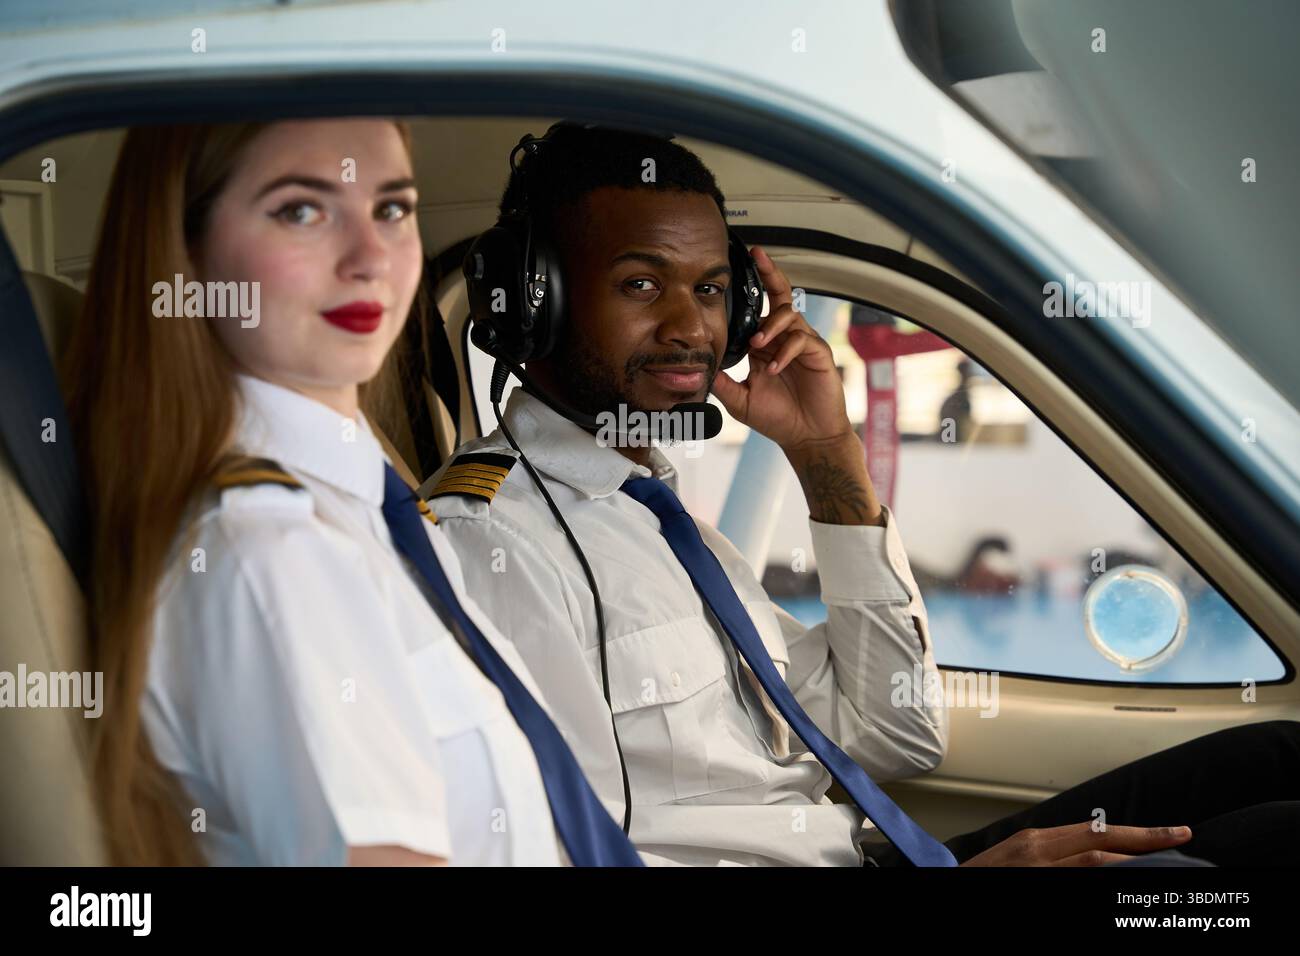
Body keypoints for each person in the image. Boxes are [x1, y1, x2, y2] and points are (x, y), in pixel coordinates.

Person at [427, 123, 1300, 867]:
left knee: (1277, 764)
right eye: (642, 285)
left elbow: (896, 733)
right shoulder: (492, 542)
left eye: (711, 291)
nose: (692, 329)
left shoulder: (645, 506)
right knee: (1216, 894)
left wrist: (825, 457)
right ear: (528, 303)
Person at [62, 119, 640, 867]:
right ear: (186, 252)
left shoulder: (370, 510)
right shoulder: (270, 551)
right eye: (301, 210)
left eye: (392, 209)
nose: (371, 258)